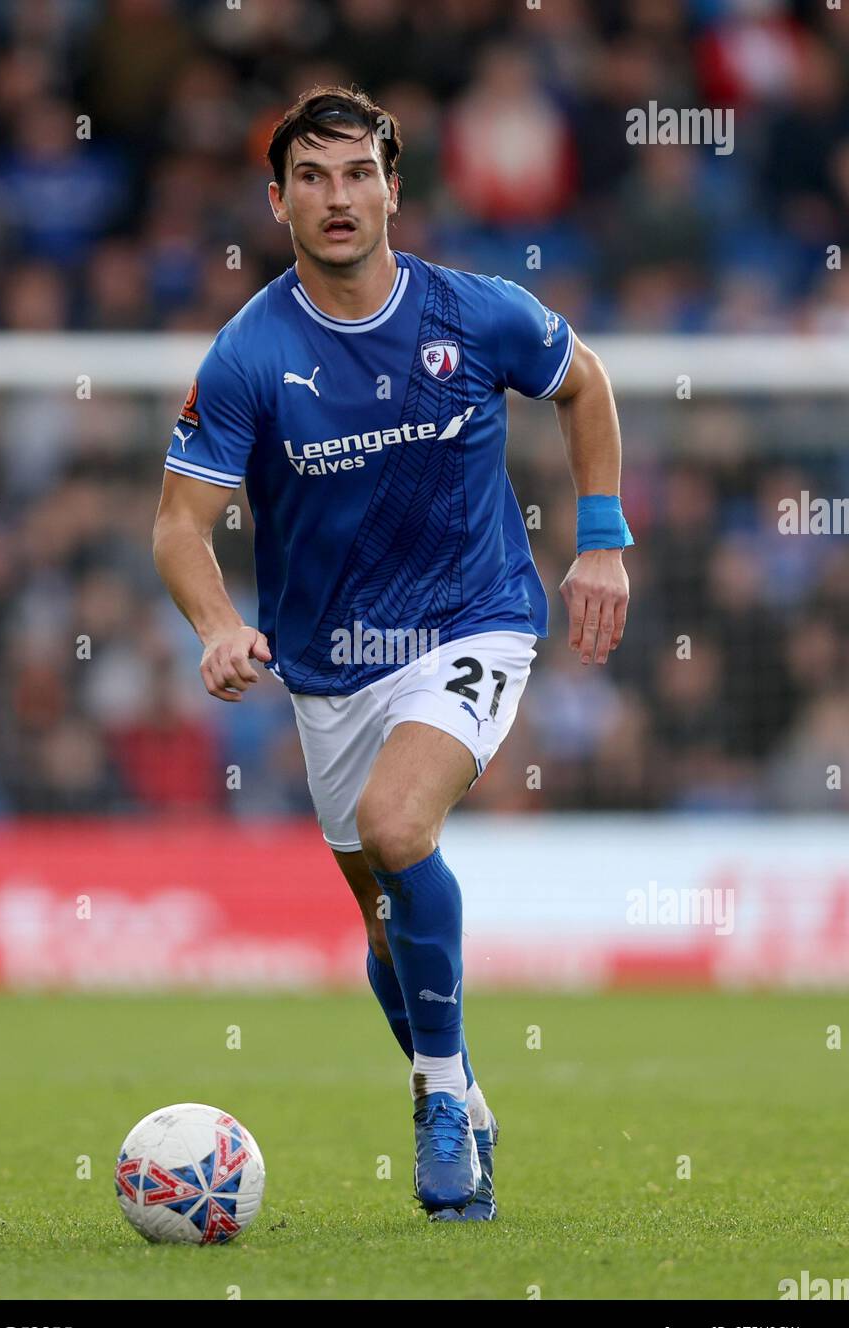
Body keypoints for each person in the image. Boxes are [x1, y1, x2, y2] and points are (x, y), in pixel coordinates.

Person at [152, 85, 632, 1221]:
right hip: (329, 669)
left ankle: (429, 1099)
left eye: (357, 173)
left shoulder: (473, 312)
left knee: (398, 825)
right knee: (382, 919)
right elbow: (179, 523)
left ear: (392, 189)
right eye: (311, 178)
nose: (337, 197)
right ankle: (460, 1083)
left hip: (473, 621)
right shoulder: (248, 356)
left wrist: (602, 540)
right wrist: (219, 625)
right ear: (276, 201)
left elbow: (585, 384)